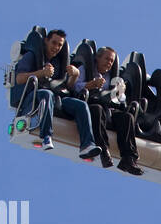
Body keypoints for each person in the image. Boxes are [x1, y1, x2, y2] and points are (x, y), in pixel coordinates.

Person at [13, 29, 100, 159]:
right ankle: (46, 136)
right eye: (53, 43)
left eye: (59, 45)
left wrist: (74, 75)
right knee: (47, 94)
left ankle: (87, 145)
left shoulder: (60, 62)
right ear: (46, 41)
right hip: (33, 97)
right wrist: (41, 73)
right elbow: (19, 78)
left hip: (56, 98)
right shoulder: (31, 56)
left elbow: (67, 87)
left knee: (81, 105)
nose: (56, 47)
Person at [72, 46, 142, 175]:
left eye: (111, 61)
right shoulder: (85, 70)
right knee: (97, 110)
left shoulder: (113, 78)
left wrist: (121, 91)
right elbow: (75, 86)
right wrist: (91, 84)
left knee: (127, 117)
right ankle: (103, 151)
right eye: (107, 59)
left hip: (108, 108)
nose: (109, 63)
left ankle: (129, 159)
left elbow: (121, 100)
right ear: (97, 58)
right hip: (91, 104)